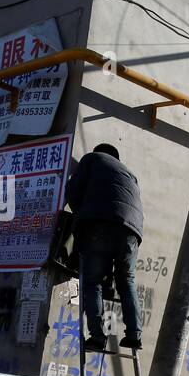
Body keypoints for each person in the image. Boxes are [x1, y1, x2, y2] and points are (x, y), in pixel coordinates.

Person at [64, 142, 144, 353]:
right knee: (126, 281)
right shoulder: (131, 175)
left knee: (93, 282)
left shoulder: (92, 159)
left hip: (99, 225)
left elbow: (73, 191)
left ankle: (97, 337)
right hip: (132, 232)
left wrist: (80, 214)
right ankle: (135, 335)